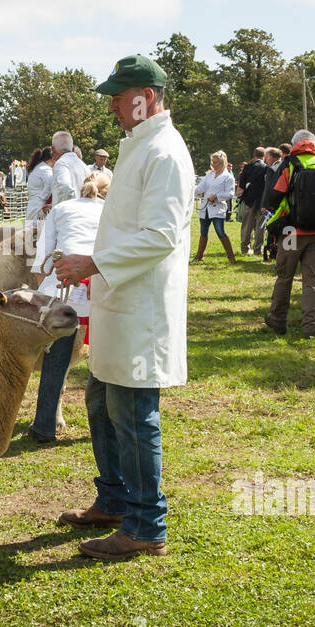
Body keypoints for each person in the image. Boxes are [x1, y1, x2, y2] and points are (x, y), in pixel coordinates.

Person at [54, 53, 193, 562]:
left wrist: (92, 262)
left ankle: (145, 525)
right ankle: (114, 501)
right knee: (101, 404)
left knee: (134, 416)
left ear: (146, 97)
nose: (111, 106)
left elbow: (160, 236)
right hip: (120, 303)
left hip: (141, 308)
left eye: (117, 96)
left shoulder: (165, 152)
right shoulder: (139, 145)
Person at [28, 172, 108, 443]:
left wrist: (44, 292)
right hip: (102, 285)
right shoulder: (110, 209)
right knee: (107, 355)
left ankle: (44, 424)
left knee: (56, 357)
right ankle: (107, 422)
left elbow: (44, 254)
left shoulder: (60, 209)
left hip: (64, 286)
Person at [262, 130, 315, 339]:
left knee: (285, 276)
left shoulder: (290, 164)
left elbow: (274, 194)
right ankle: (311, 327)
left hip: (292, 232)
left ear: (295, 145)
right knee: (313, 280)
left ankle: (277, 319)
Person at [193, 151, 236, 263]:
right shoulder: (209, 175)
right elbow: (199, 189)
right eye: (212, 162)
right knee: (203, 233)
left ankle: (231, 257)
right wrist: (188, 188)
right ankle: (199, 256)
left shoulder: (228, 177)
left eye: (215, 162)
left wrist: (217, 196)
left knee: (220, 232)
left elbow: (230, 194)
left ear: (222, 162)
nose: (213, 164)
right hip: (205, 209)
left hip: (218, 208)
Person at [235, 147, 268, 256]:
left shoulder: (248, 167)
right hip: (262, 200)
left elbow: (242, 184)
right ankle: (258, 249)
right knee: (260, 225)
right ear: (264, 156)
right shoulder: (266, 167)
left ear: (254, 155)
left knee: (246, 225)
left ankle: (245, 249)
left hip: (248, 199)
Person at [51, 133, 88, 208]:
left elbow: (66, 188)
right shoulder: (84, 166)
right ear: (73, 149)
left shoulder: (61, 164)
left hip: (67, 215)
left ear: (53, 149)